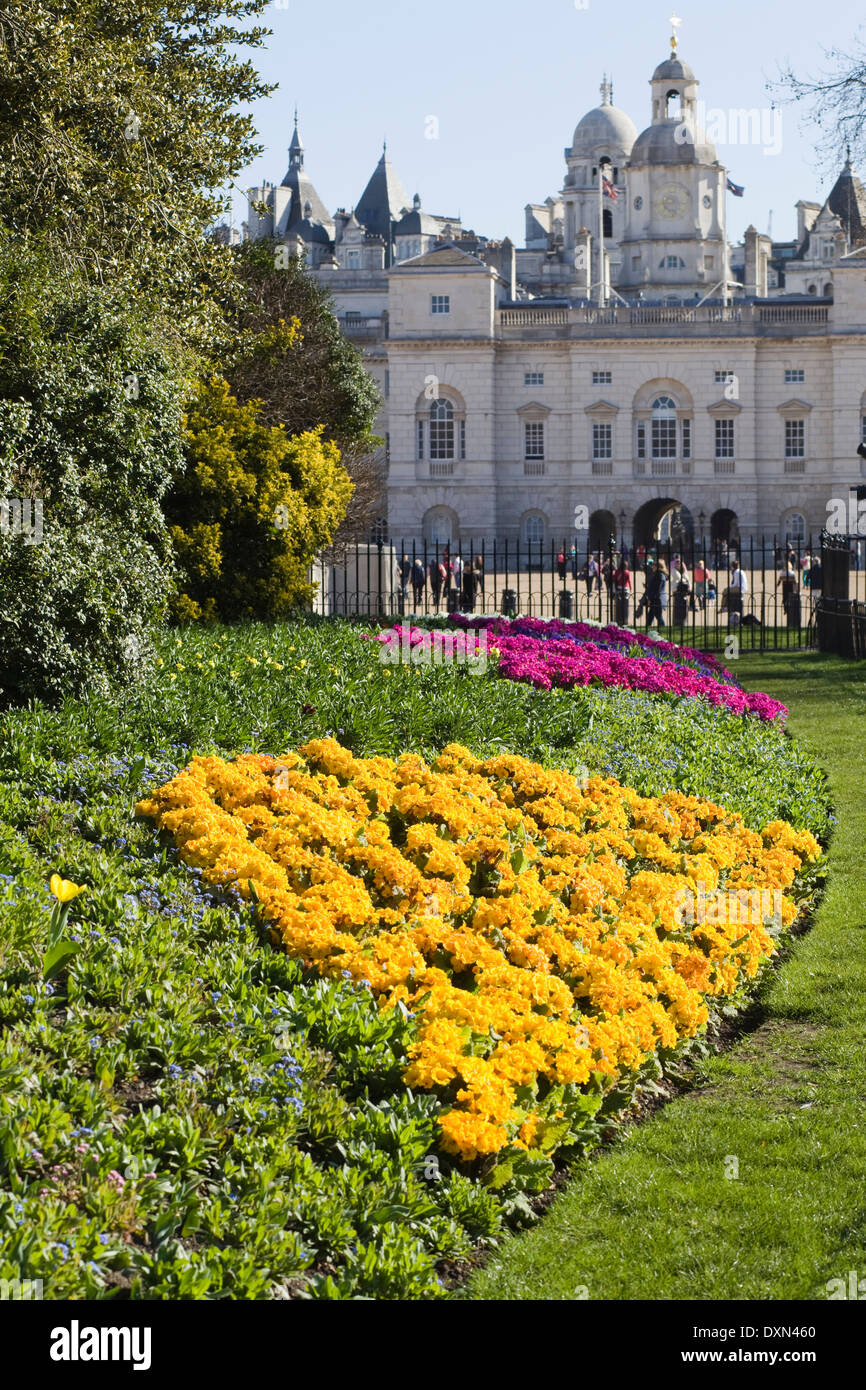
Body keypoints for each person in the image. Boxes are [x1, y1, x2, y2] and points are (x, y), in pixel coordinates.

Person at [645, 558, 668, 628]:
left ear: (658, 567)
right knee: (650, 616)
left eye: (654, 565)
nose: (652, 567)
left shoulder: (660, 575)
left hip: (657, 599)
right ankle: (648, 629)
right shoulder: (657, 574)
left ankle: (663, 628)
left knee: (658, 617)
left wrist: (650, 599)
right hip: (655, 598)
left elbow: (657, 589)